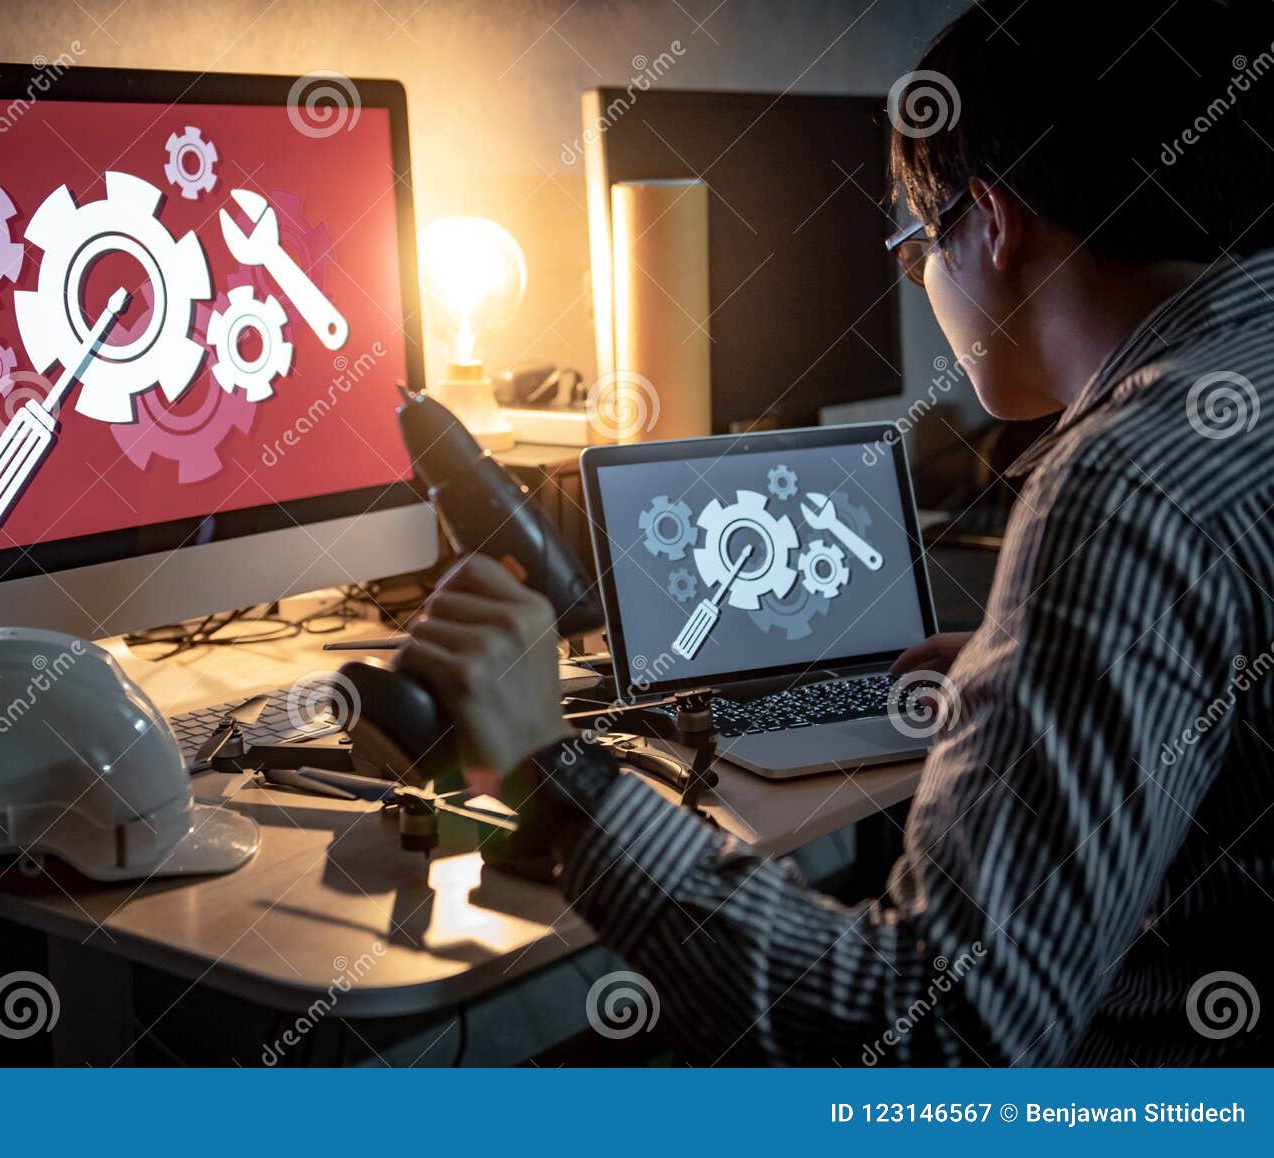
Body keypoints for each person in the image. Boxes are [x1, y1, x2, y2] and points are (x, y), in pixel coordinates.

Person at [398, 0, 1274, 1065]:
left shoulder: (1123, 483)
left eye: (912, 247)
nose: (916, 283)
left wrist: (553, 772)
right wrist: (1056, 687)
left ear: (991, 224)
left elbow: (940, 1043)